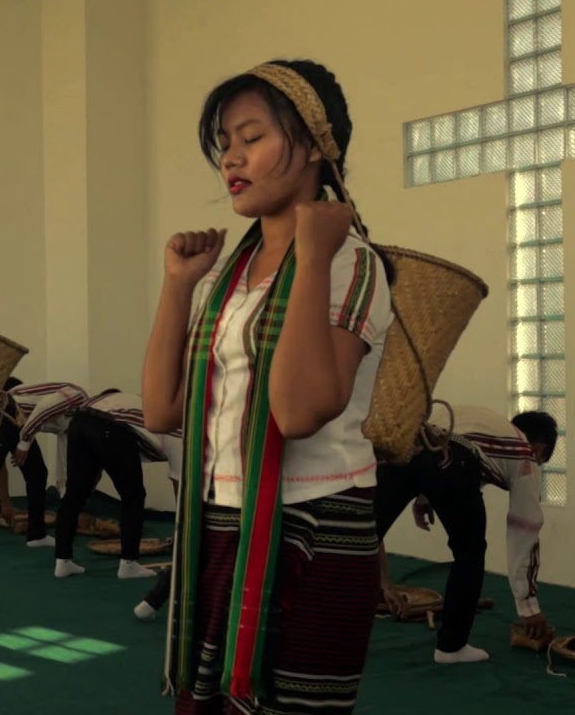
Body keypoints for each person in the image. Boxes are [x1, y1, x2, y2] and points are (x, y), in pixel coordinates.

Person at [143, 60, 394, 714]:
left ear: (313, 144)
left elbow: (298, 411)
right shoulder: (229, 274)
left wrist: (312, 257)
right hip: (218, 521)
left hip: (315, 526)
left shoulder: (352, 263)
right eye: (225, 142)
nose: (232, 157)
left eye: (252, 137)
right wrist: (178, 286)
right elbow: (162, 410)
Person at [375, 406, 557, 664]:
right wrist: (529, 607)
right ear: (538, 449)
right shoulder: (525, 454)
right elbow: (524, 530)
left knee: (362, 535)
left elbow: (432, 449)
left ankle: (326, 630)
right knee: (470, 553)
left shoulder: (486, 424)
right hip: (453, 460)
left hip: (405, 446)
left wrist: (424, 496)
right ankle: (451, 647)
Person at [52, 391, 181, 580]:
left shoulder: (144, 406)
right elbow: (180, 485)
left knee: (74, 494)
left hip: (79, 420)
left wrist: (88, 479)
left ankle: (62, 562)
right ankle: (129, 565)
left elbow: (102, 456)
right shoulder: (179, 432)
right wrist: (182, 528)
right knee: (133, 497)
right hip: (110, 426)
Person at [0, 377, 69, 553]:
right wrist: (23, 446)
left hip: (20, 423)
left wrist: (63, 484)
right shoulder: (71, 398)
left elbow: (52, 434)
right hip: (7, 416)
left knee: (38, 473)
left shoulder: (68, 413)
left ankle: (37, 535)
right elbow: (38, 413)